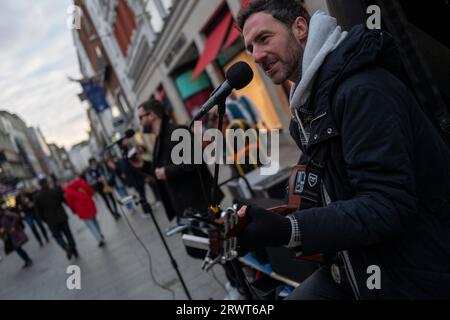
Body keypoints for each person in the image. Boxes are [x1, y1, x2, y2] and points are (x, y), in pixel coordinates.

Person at [235, 0, 450, 299]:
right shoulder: (311, 107)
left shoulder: (361, 90)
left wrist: (289, 229)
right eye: (250, 48)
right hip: (363, 262)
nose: (257, 56)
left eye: (264, 38)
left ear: (299, 28)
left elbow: (385, 206)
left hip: (415, 271)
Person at [34, 178, 79, 260]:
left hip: (51, 221)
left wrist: (45, 220)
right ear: (47, 183)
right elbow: (64, 200)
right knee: (68, 234)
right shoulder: (55, 191)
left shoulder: (37, 197)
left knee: (57, 236)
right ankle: (74, 250)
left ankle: (65, 247)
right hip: (62, 217)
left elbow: (38, 212)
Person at [65, 176, 105, 247]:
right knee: (94, 220)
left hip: (80, 208)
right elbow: (89, 189)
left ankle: (99, 238)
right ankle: (99, 234)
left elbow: (70, 203)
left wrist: (73, 210)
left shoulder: (68, 190)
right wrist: (89, 195)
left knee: (90, 224)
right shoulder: (80, 182)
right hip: (88, 202)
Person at [0, 201, 33, 269]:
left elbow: (16, 216)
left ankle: (27, 260)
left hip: (13, 233)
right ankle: (27, 260)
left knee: (17, 248)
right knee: (17, 249)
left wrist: (13, 226)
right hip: (9, 235)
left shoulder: (5, 213)